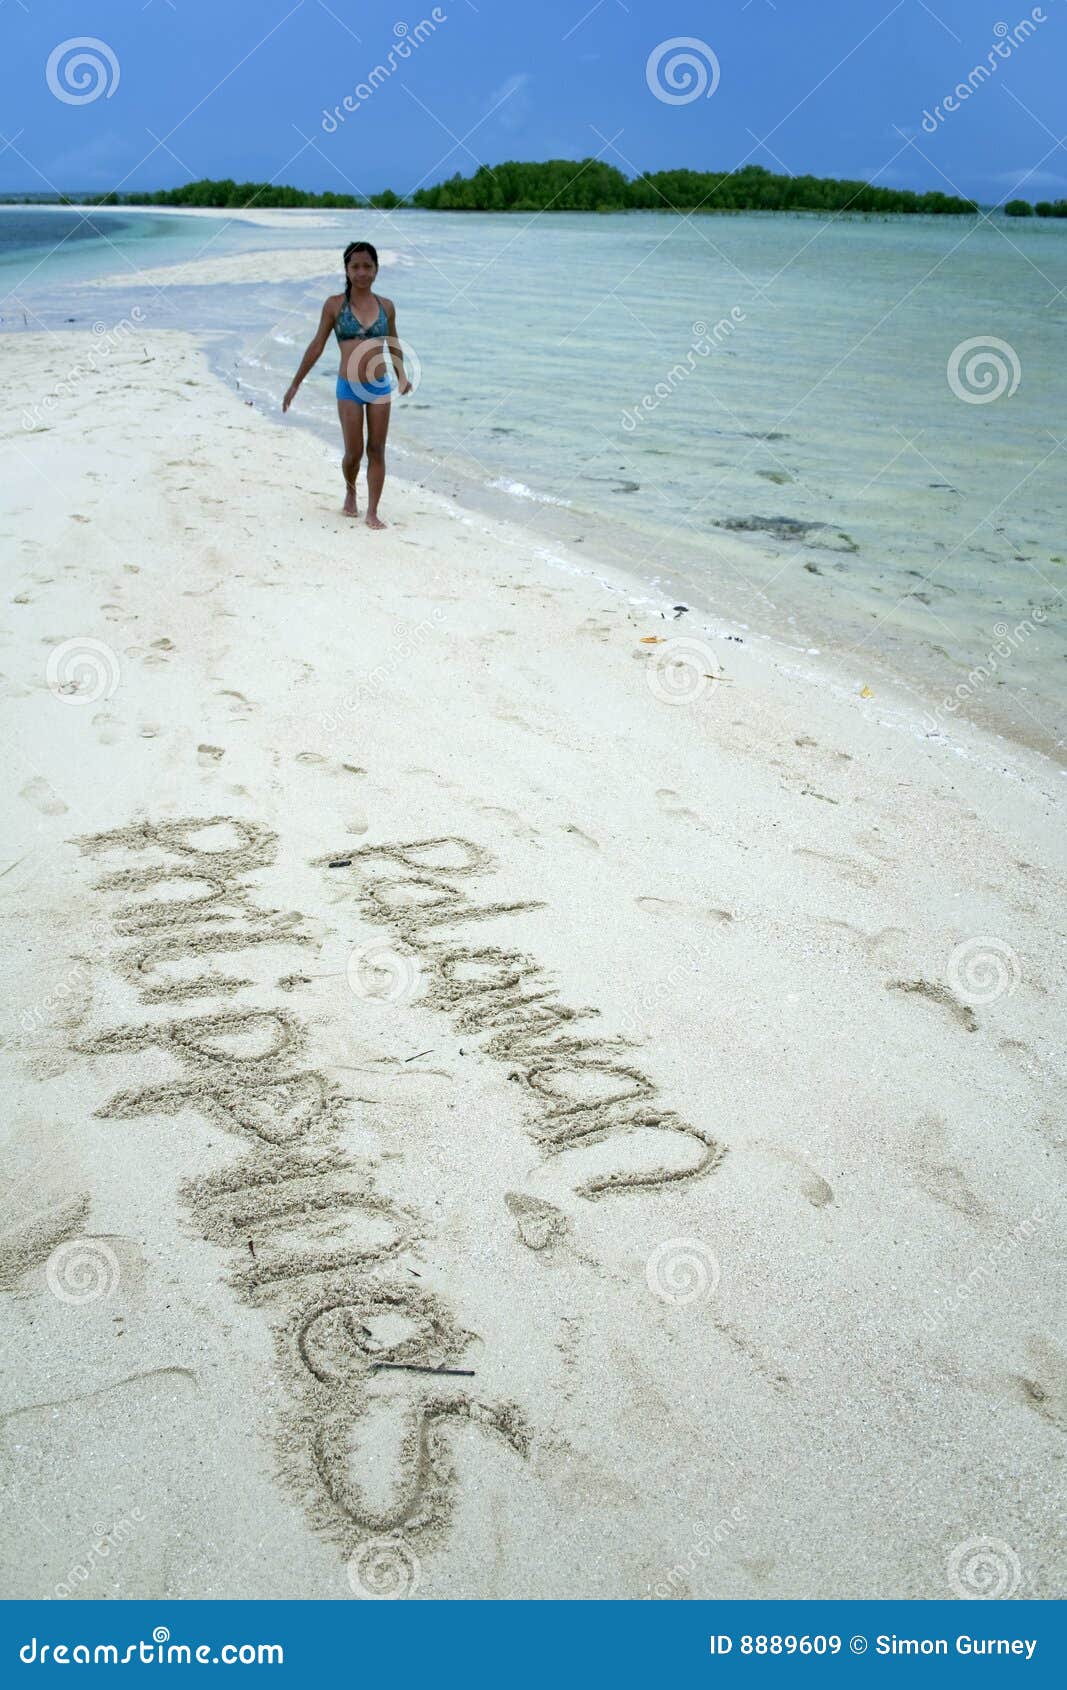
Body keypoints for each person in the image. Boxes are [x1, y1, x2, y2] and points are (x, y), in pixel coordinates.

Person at [283, 240, 410, 529]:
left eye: (368, 266)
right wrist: (295, 383)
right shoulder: (334, 305)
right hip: (348, 388)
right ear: (347, 270)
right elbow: (317, 345)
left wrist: (401, 375)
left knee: (376, 450)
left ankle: (373, 510)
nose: (362, 272)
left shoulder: (386, 307)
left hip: (379, 387)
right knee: (354, 452)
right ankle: (350, 491)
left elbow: (393, 344)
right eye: (356, 267)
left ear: (376, 269)